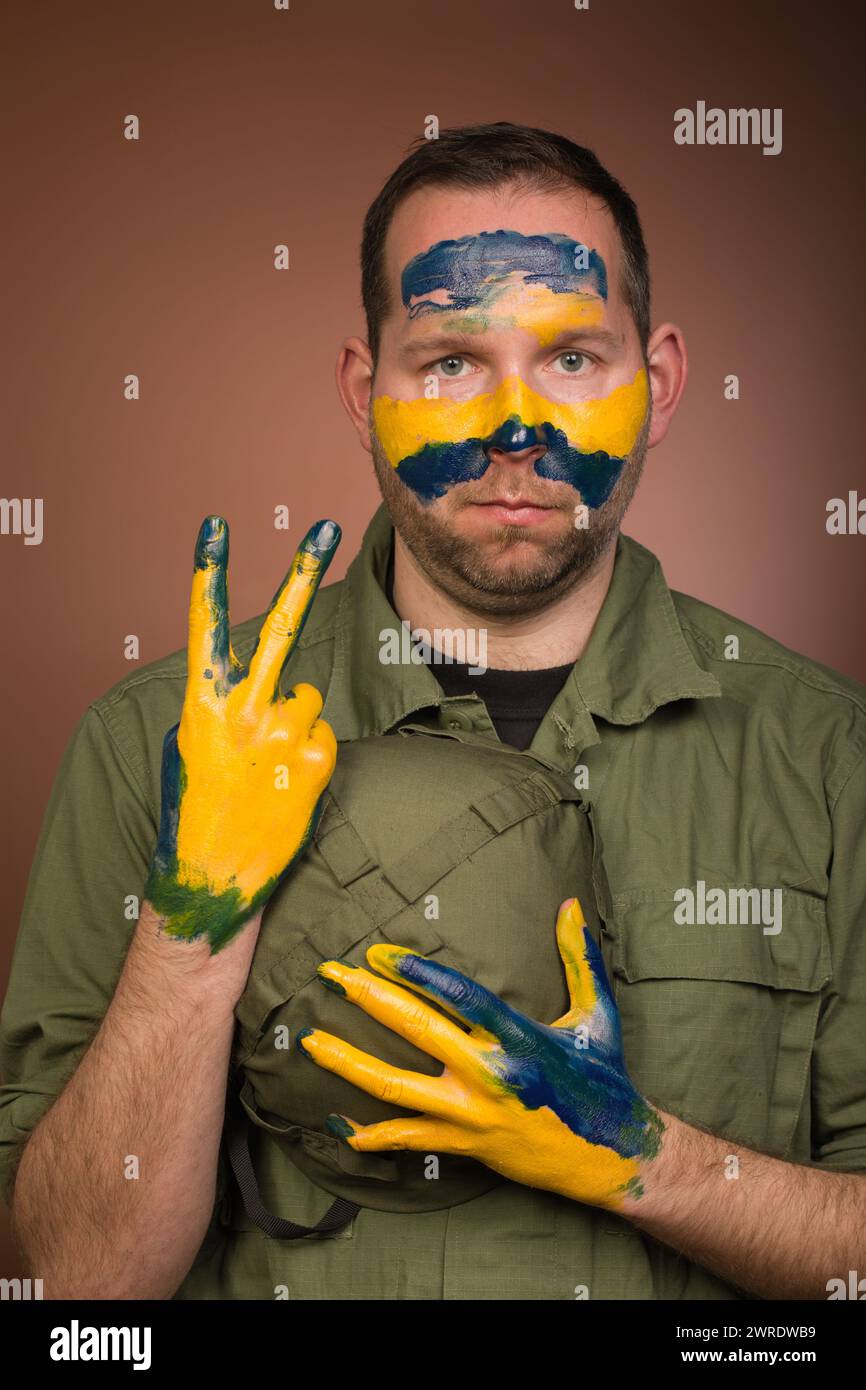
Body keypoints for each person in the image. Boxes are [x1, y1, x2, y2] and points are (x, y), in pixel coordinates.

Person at [2, 122, 865, 1302]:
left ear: (656, 386)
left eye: (570, 359)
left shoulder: (826, 757)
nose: (514, 426)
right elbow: (75, 1294)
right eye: (451, 363)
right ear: (365, 392)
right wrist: (190, 921)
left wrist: (646, 1164)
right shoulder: (156, 738)